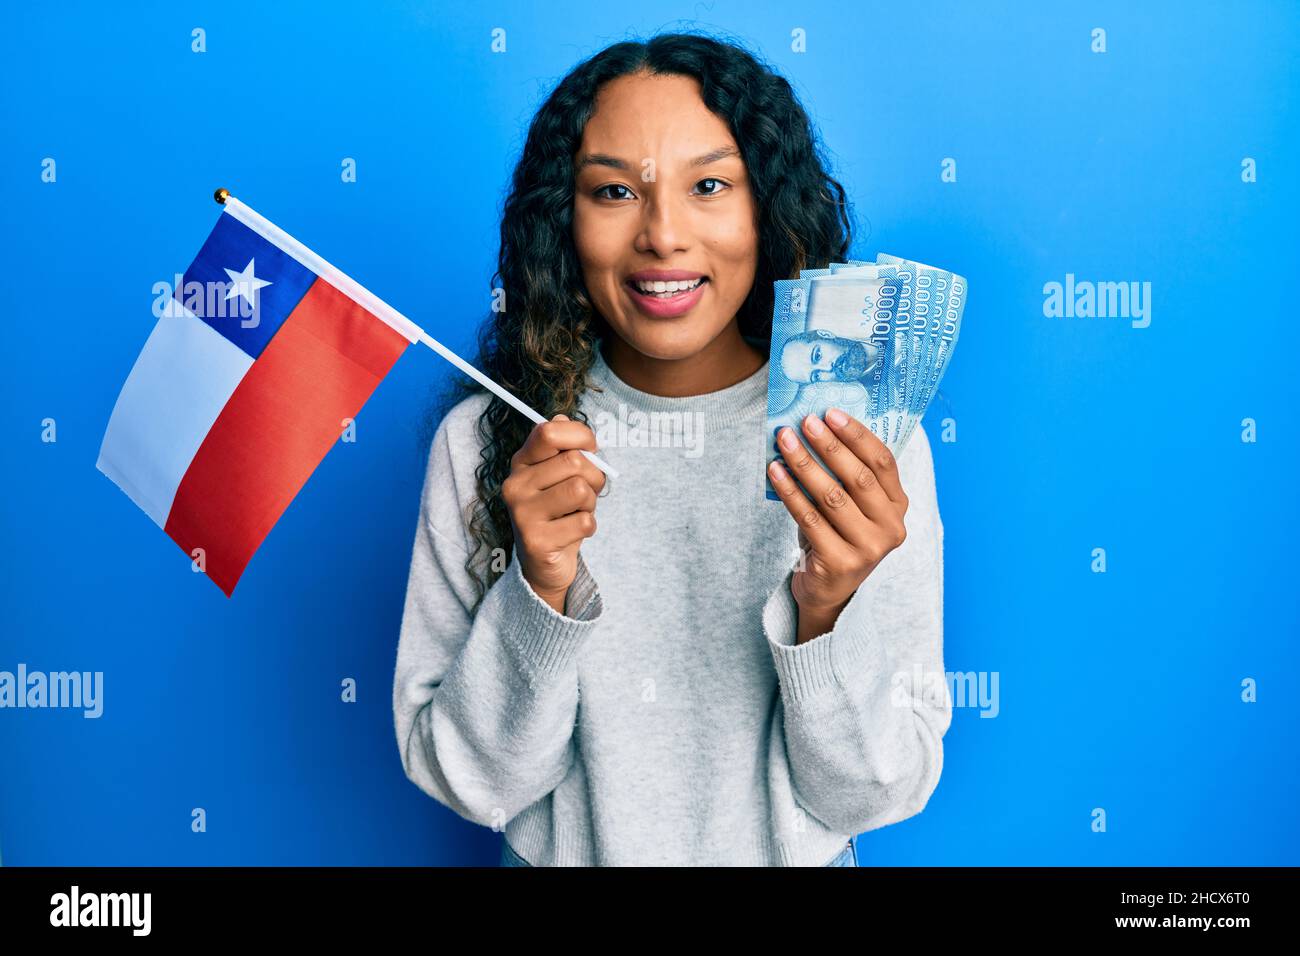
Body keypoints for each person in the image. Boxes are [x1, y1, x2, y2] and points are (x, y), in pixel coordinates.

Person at [392, 31, 951, 867]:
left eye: (710, 185)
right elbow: (476, 787)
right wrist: (539, 593)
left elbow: (872, 795)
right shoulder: (488, 444)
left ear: (766, 208)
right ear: (563, 222)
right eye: (614, 190)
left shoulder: (866, 447)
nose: (662, 235)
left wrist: (827, 609)